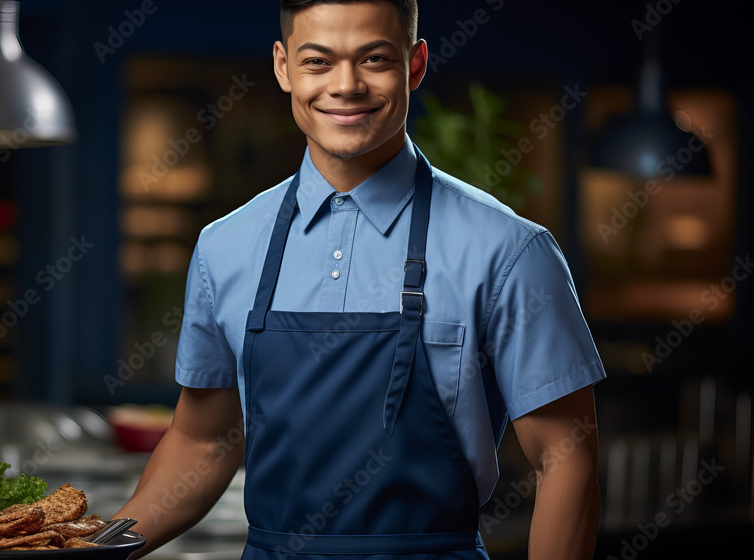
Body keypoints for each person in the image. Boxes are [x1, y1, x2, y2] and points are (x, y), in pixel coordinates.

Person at [114, 1, 605, 558]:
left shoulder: (508, 250)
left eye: (373, 59)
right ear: (283, 67)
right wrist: (91, 547)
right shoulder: (224, 248)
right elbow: (203, 440)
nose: (345, 85)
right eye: (318, 61)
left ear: (415, 65)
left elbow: (566, 459)